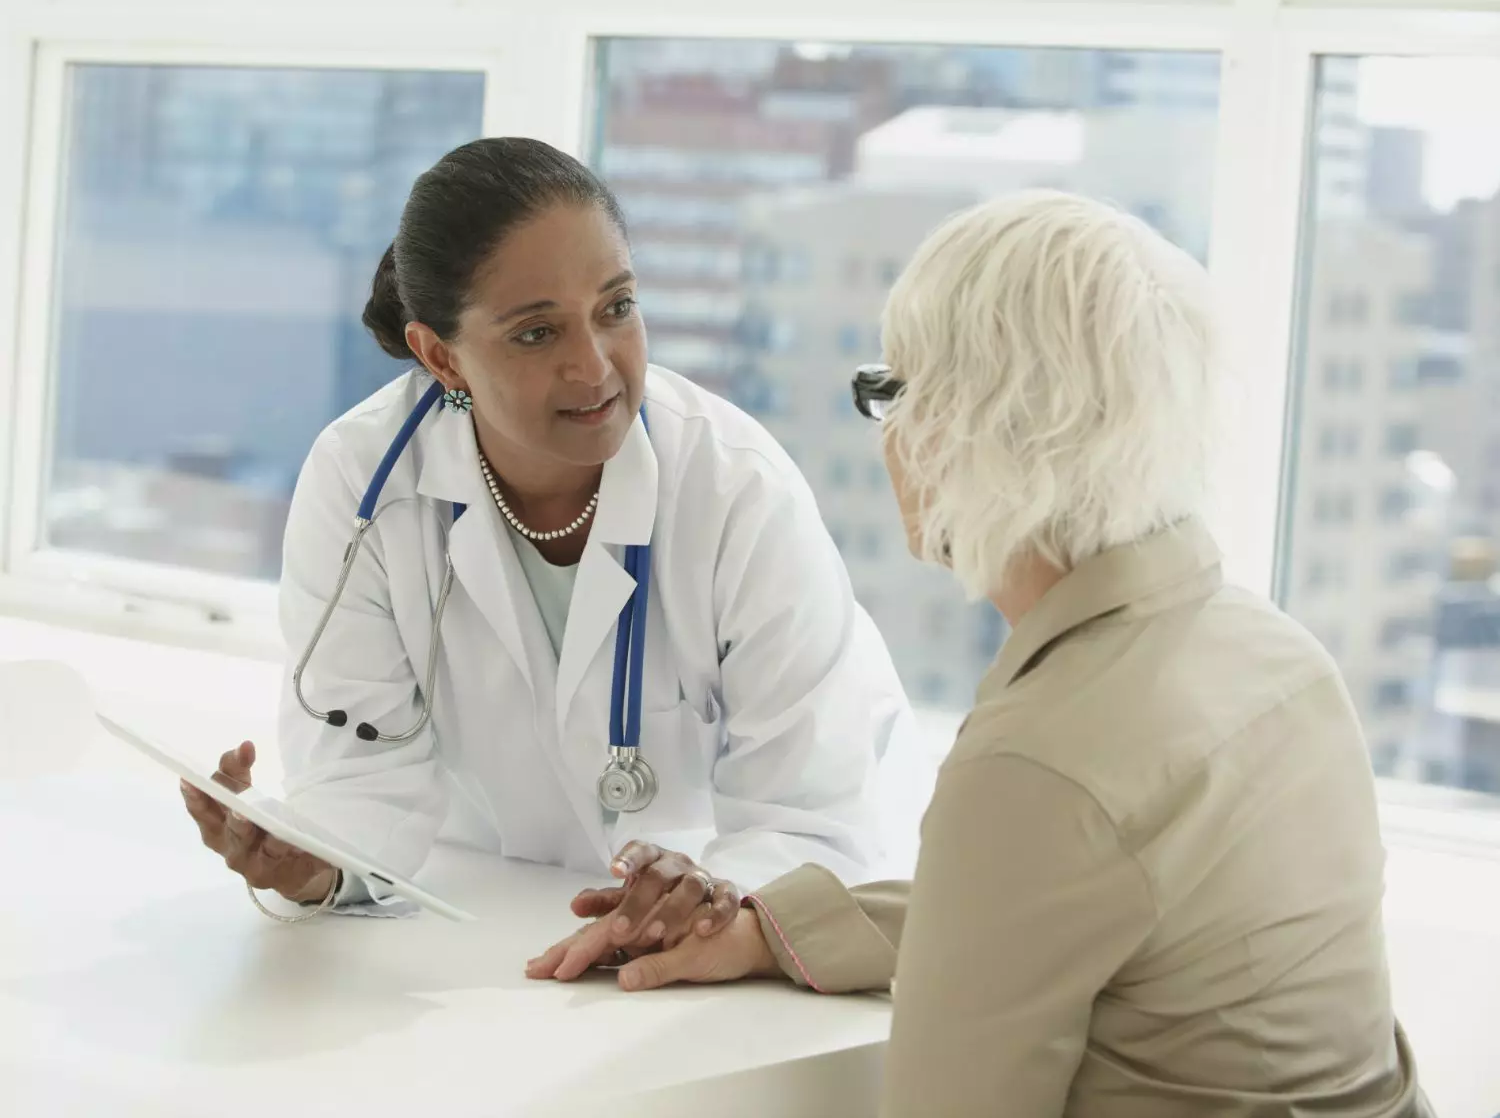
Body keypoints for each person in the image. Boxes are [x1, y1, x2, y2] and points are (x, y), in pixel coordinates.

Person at [528, 191, 1433, 1117]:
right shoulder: (1277, 659)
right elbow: (1069, 906)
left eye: (891, 390)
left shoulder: (1040, 760)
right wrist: (769, 931)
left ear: (972, 423)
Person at [179, 137, 911, 937]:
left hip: (719, 954)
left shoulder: (735, 487)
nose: (594, 367)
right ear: (439, 354)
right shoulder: (363, 484)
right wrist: (312, 857)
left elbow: (812, 816)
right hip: (479, 922)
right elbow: (362, 774)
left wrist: (713, 894)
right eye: (537, 333)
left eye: (617, 309)